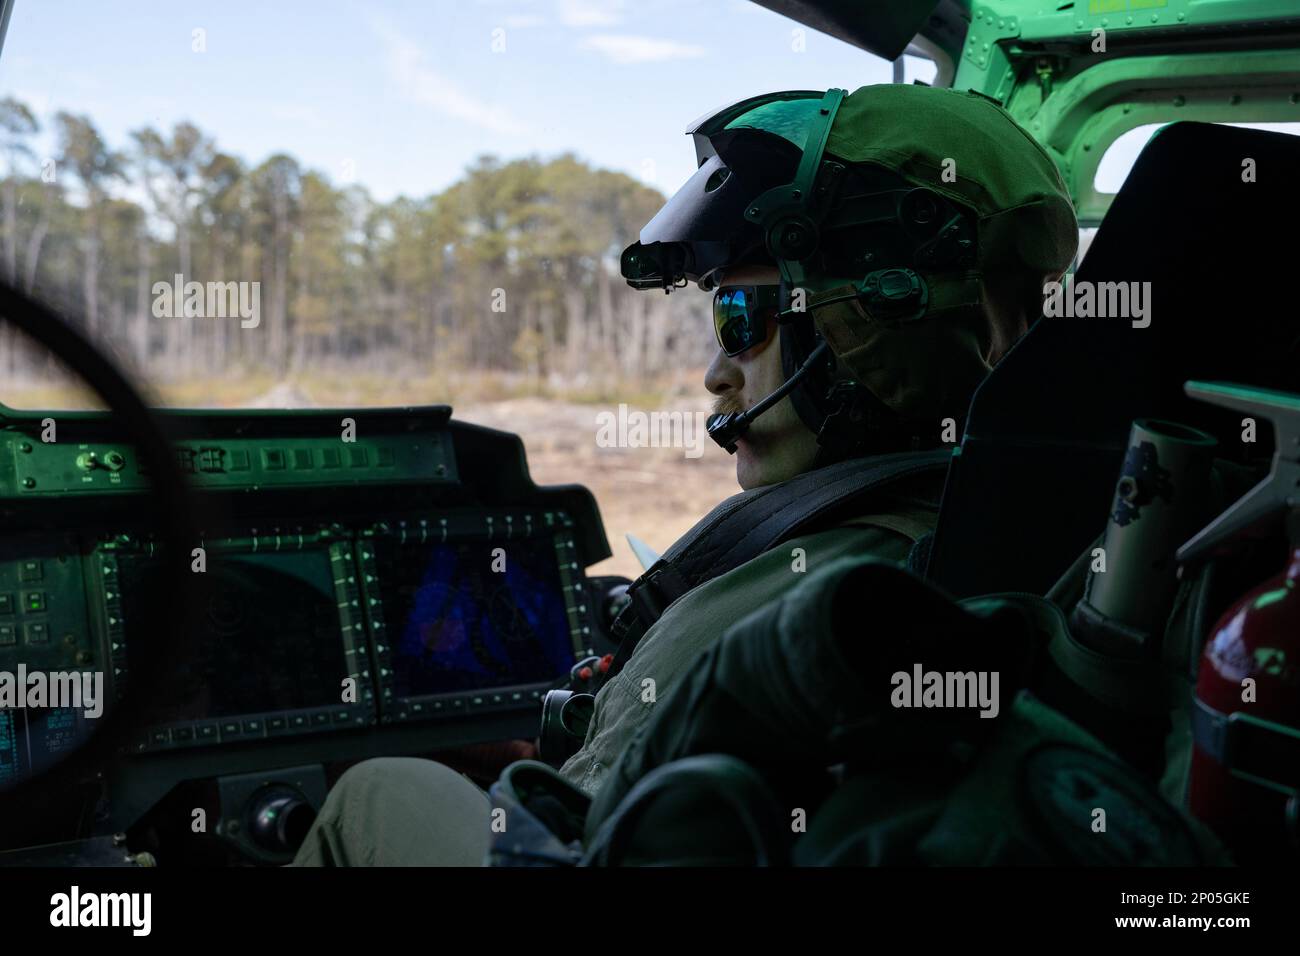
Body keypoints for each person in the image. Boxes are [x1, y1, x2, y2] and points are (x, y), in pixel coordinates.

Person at [291, 82, 1078, 866]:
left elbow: (582, 844)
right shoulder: (1049, 524)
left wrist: (555, 785)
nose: (715, 373)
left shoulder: (804, 591)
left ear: (867, 318)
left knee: (378, 788)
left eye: (741, 319)